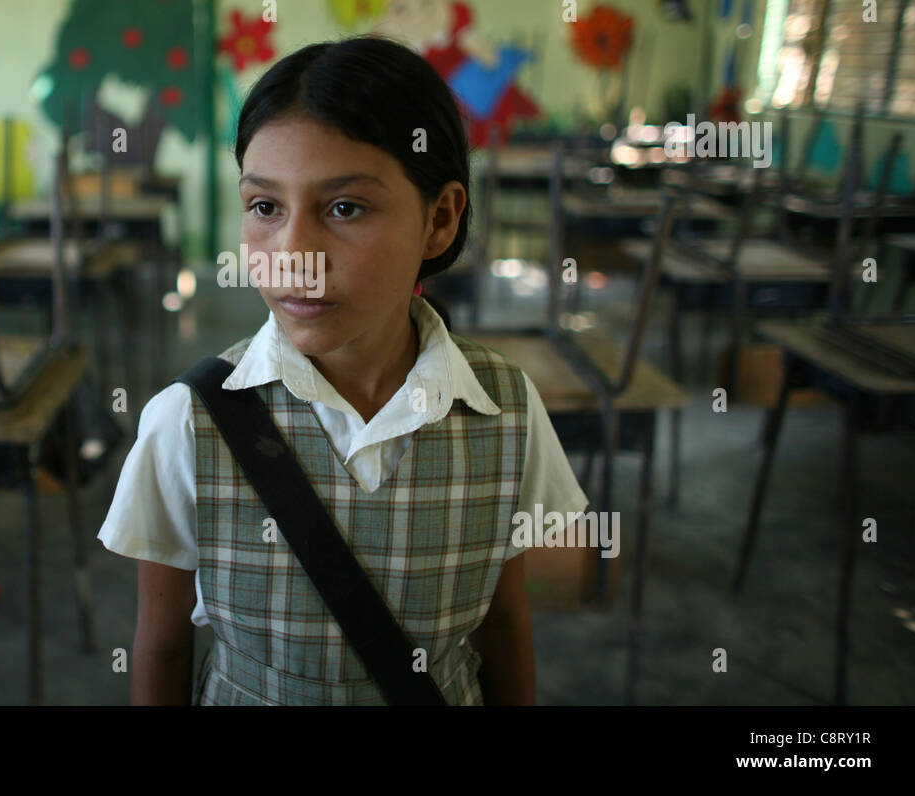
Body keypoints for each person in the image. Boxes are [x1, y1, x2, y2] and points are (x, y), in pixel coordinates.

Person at [97, 36, 587, 705]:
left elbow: (502, 623)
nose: (293, 253)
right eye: (265, 207)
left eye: (345, 208)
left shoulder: (503, 411)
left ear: (439, 221)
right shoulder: (187, 423)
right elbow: (160, 645)